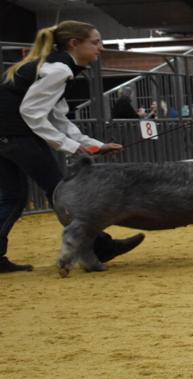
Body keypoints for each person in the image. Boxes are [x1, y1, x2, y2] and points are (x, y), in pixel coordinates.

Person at [0, 19, 139, 273]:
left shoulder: (55, 67)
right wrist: (71, 147)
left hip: (6, 136)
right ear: (74, 44)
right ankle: (100, 246)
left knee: (13, 196)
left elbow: (56, 117)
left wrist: (93, 145)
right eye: (96, 42)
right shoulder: (59, 70)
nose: (101, 48)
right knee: (64, 192)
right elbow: (31, 113)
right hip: (16, 135)